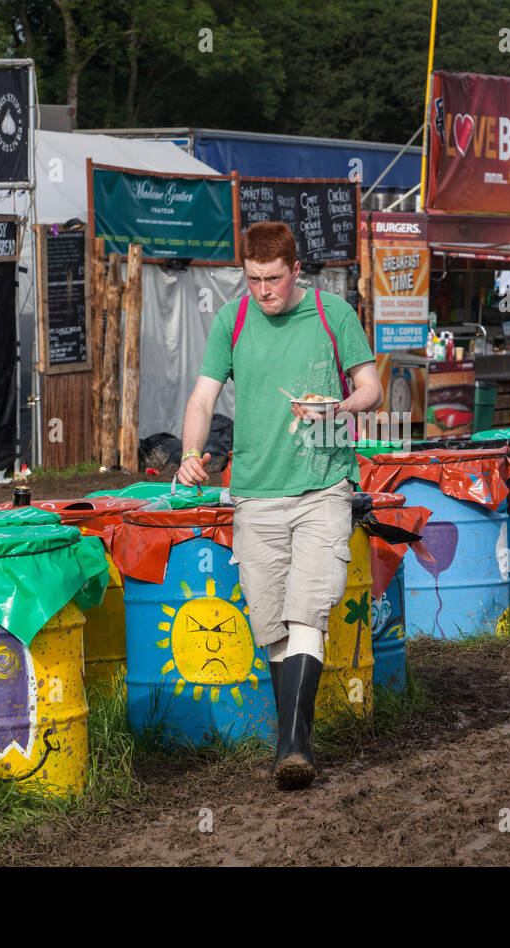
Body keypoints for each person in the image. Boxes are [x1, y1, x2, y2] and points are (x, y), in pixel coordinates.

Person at [176, 222, 382, 790]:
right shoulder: (232, 320)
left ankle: (293, 745)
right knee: (271, 628)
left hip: (324, 487)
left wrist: (339, 408)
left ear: (295, 271)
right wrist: (192, 453)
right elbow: (201, 396)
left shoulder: (333, 314)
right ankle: (298, 736)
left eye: (273, 279)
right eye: (253, 279)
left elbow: (372, 388)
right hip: (255, 495)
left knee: (307, 610)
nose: (263, 291)